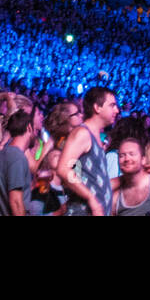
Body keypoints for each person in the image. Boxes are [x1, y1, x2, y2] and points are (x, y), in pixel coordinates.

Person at [58, 86, 118, 216]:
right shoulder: (82, 133)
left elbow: (97, 182)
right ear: (97, 107)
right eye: (112, 105)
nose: (117, 110)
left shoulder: (95, 137)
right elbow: (63, 169)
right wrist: (91, 199)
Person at [0, 108, 35, 216]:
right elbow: (16, 202)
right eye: (35, 130)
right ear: (29, 128)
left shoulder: (2, 154)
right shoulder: (17, 157)